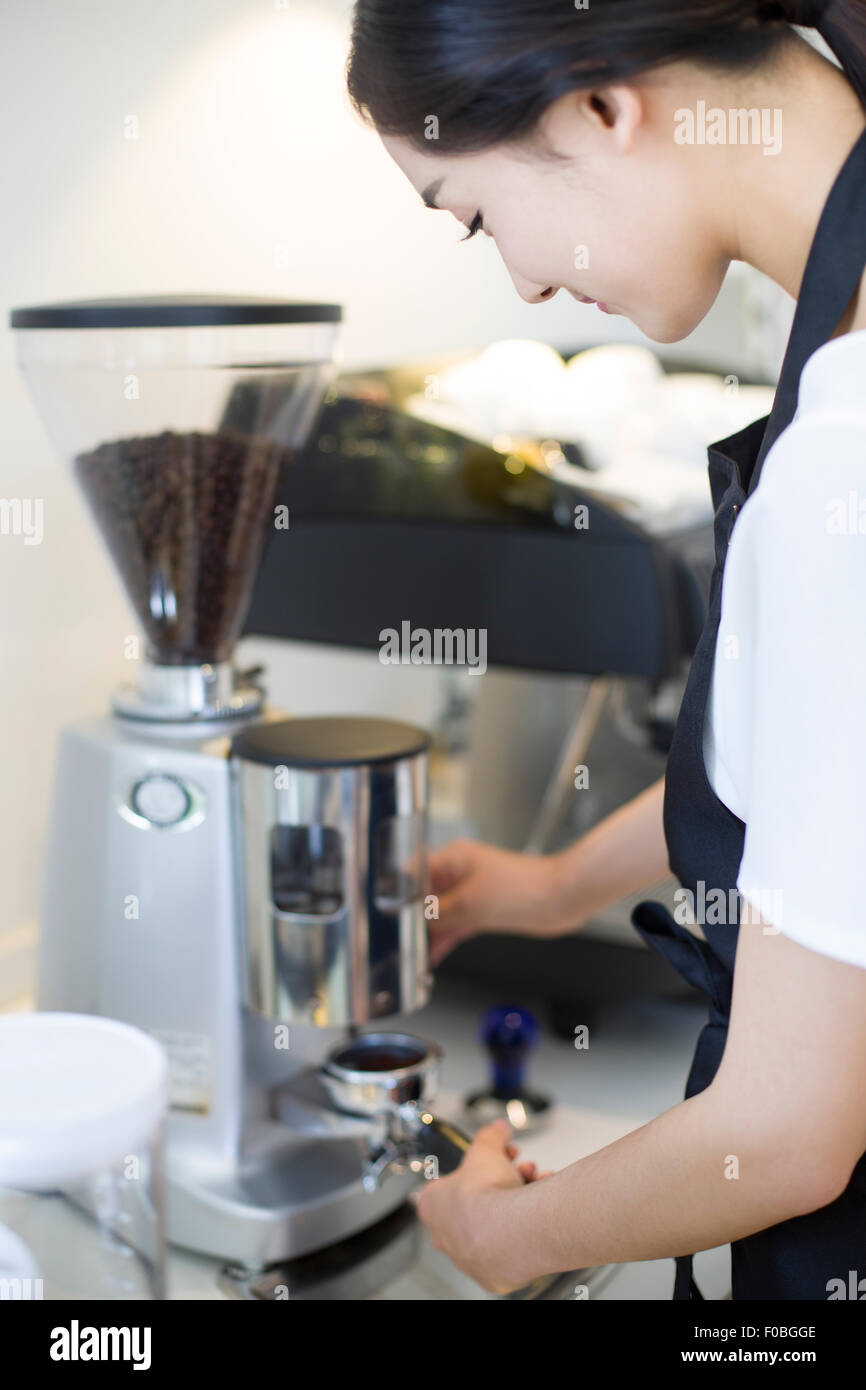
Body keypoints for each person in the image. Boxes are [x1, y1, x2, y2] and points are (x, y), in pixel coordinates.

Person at [346, 0, 866, 1299]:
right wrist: (549, 882)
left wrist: (503, 1233)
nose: (518, 280)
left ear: (597, 107)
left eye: (469, 213)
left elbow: (788, 1131)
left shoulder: (844, 466)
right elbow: (825, 789)